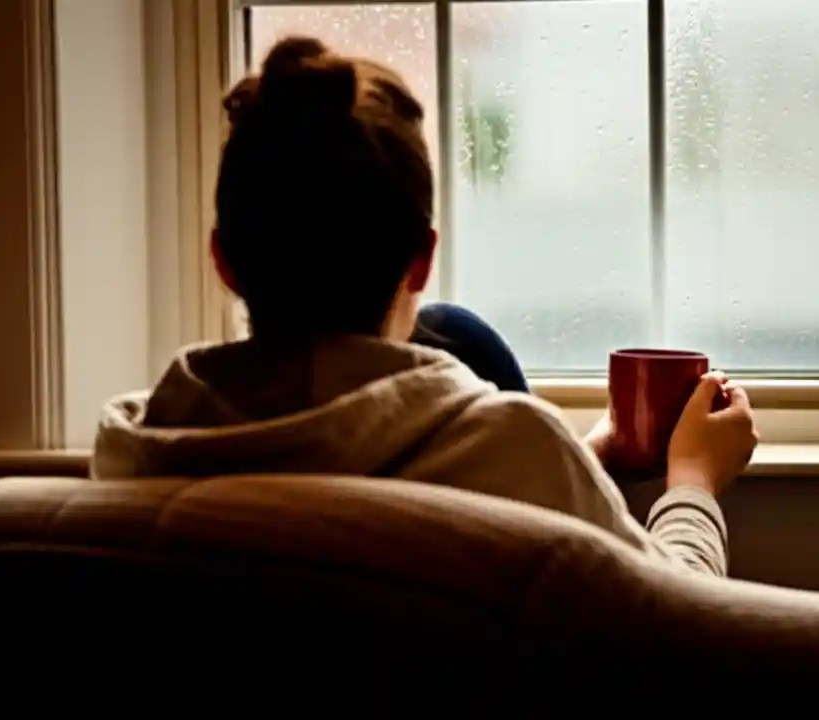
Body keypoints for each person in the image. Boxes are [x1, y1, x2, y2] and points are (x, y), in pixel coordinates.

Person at [93, 37, 759, 577]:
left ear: (222, 260)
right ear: (422, 258)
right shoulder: (516, 448)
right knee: (462, 333)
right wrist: (693, 479)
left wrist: (586, 461)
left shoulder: (133, 457)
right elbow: (675, 631)